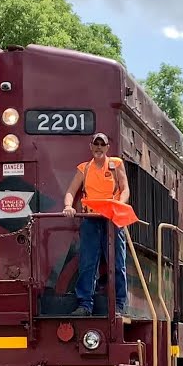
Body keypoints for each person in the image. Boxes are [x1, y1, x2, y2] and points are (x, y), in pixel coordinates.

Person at [62, 132, 131, 316]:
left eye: (103, 144)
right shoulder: (84, 169)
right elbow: (70, 191)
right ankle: (85, 305)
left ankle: (119, 305)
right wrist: (68, 206)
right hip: (91, 220)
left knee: (117, 263)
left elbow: (125, 190)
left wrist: (119, 205)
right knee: (87, 262)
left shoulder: (116, 164)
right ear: (91, 147)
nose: (99, 147)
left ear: (108, 147)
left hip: (112, 219)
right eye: (96, 144)